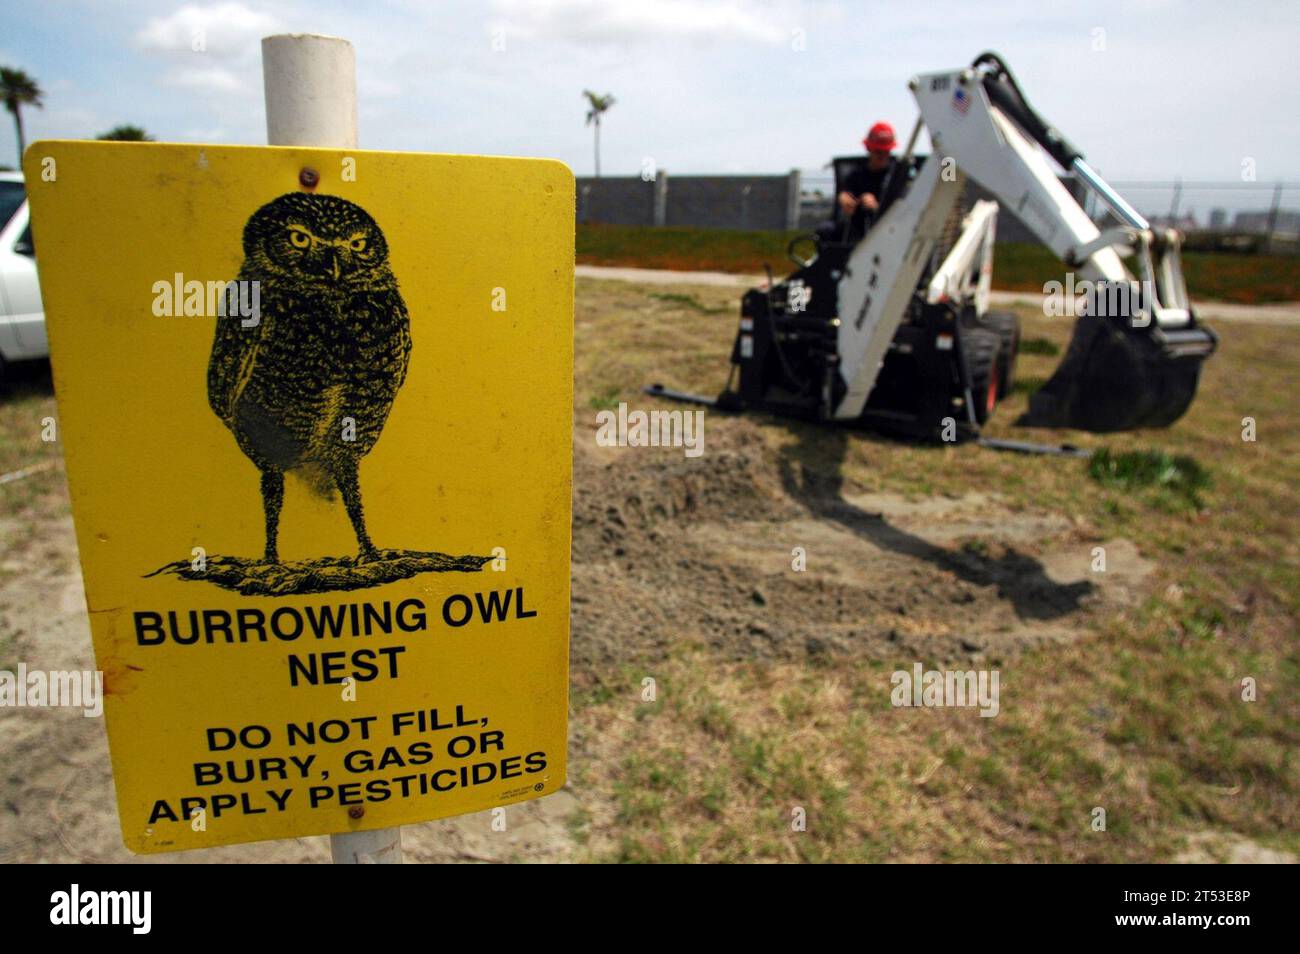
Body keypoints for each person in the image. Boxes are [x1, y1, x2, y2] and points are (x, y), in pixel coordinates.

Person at [835, 122, 900, 242]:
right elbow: (846, 192)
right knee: (825, 231)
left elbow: (903, 208)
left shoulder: (897, 177)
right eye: (878, 152)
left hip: (889, 231)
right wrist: (844, 199)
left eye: (886, 152)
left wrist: (876, 207)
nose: (882, 156)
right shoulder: (857, 174)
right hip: (856, 229)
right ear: (869, 149)